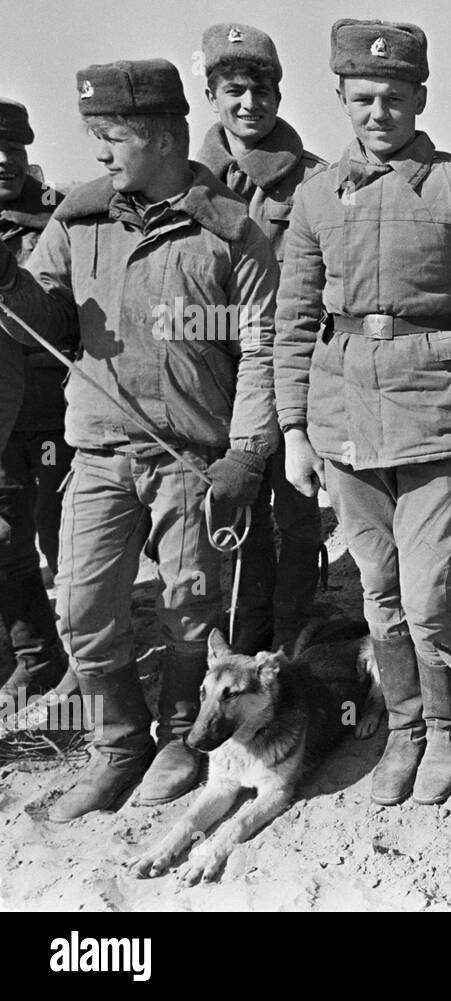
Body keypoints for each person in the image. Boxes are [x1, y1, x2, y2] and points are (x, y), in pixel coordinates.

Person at [0, 59, 278, 821]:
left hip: (192, 462)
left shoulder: (231, 231)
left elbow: (263, 351)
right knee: (84, 612)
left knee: (191, 612)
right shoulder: (79, 218)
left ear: (159, 137)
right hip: (95, 455)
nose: (99, 154)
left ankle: (181, 740)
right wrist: (9, 282)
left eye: (111, 136)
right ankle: (117, 744)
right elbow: (47, 317)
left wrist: (247, 453)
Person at [275, 19, 451, 808]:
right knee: (377, 592)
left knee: (428, 597)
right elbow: (291, 319)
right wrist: (292, 427)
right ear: (342, 99)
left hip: (440, 420)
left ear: (420, 98)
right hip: (344, 415)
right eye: (361, 97)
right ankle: (407, 730)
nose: (377, 111)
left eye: (393, 96)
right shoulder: (316, 195)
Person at [195, 21, 330, 654]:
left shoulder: (317, 179)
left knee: (297, 510)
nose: (251, 104)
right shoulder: (185, 184)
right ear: (210, 94)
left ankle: (294, 640)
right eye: (235, 90)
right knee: (231, 508)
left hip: (296, 364)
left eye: (264, 91)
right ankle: (243, 638)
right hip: (216, 371)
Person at [0, 97, 69, 701]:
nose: (4, 160)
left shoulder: (56, 218)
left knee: (59, 532)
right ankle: (33, 652)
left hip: (48, 410)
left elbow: (54, 318)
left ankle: (82, 656)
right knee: (4, 535)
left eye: (15, 149)